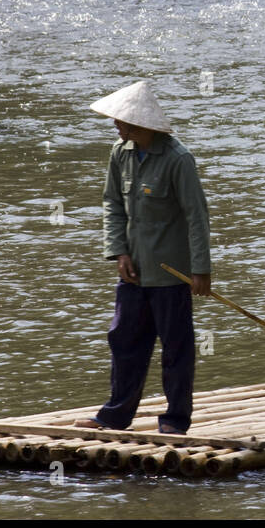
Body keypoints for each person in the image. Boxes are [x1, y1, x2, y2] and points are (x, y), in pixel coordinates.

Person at [76, 81, 211, 435]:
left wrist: (200, 270)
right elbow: (113, 204)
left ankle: (175, 420)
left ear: (141, 125)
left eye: (122, 122)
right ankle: (115, 415)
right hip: (133, 271)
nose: (116, 127)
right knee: (124, 341)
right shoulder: (120, 153)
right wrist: (118, 251)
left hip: (171, 274)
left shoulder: (177, 160)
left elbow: (197, 216)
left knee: (176, 348)